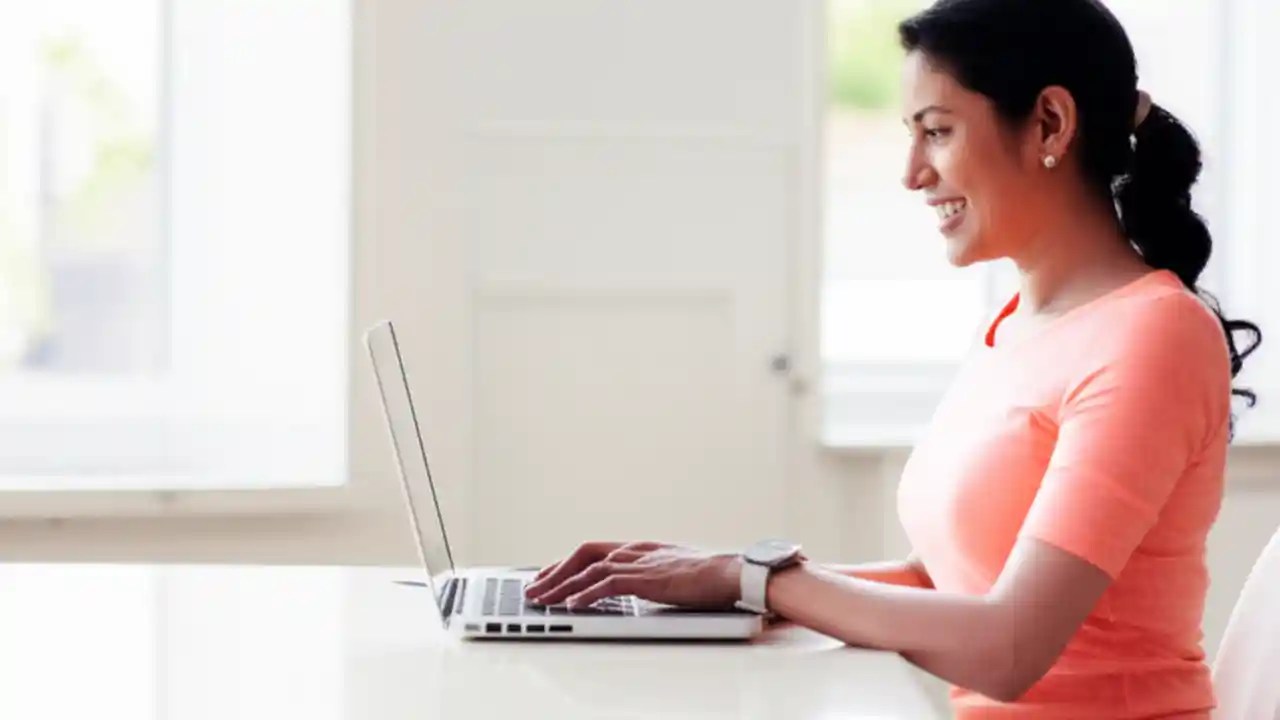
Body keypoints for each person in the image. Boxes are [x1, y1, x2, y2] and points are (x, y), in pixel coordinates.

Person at [524, 0, 1264, 716]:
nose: (912, 173)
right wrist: (717, 583)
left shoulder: (1153, 335)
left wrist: (758, 582)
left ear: (1049, 122)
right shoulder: (1018, 324)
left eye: (937, 132)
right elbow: (936, 582)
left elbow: (1010, 648)